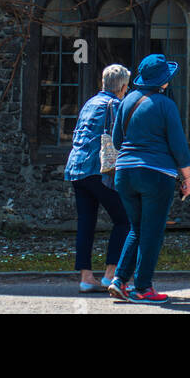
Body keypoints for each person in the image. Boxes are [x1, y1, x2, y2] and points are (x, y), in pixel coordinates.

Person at [108, 53, 190, 303]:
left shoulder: (126, 101)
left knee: (137, 228)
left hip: (124, 174)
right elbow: (179, 146)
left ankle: (119, 280)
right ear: (163, 81)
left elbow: (116, 141)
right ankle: (143, 288)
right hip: (156, 174)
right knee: (152, 232)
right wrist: (187, 177)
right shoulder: (166, 104)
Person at [64, 63, 132, 292]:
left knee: (86, 222)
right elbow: (119, 139)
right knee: (124, 220)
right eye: (127, 86)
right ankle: (110, 274)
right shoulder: (116, 104)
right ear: (122, 86)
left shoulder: (89, 103)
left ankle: (86, 277)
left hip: (77, 169)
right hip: (98, 170)